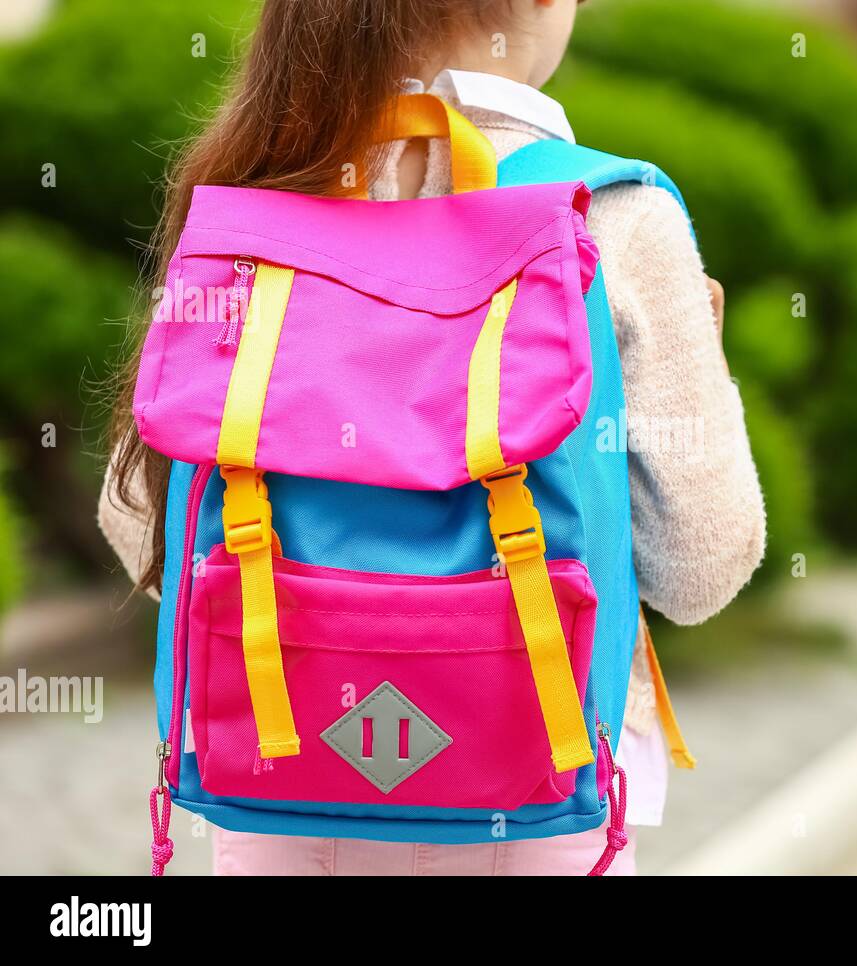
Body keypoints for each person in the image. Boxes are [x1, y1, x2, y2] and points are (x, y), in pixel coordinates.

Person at [101, 0, 765, 876]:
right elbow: (700, 570)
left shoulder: (257, 197)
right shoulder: (614, 215)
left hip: (276, 775)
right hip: (533, 798)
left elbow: (137, 520)